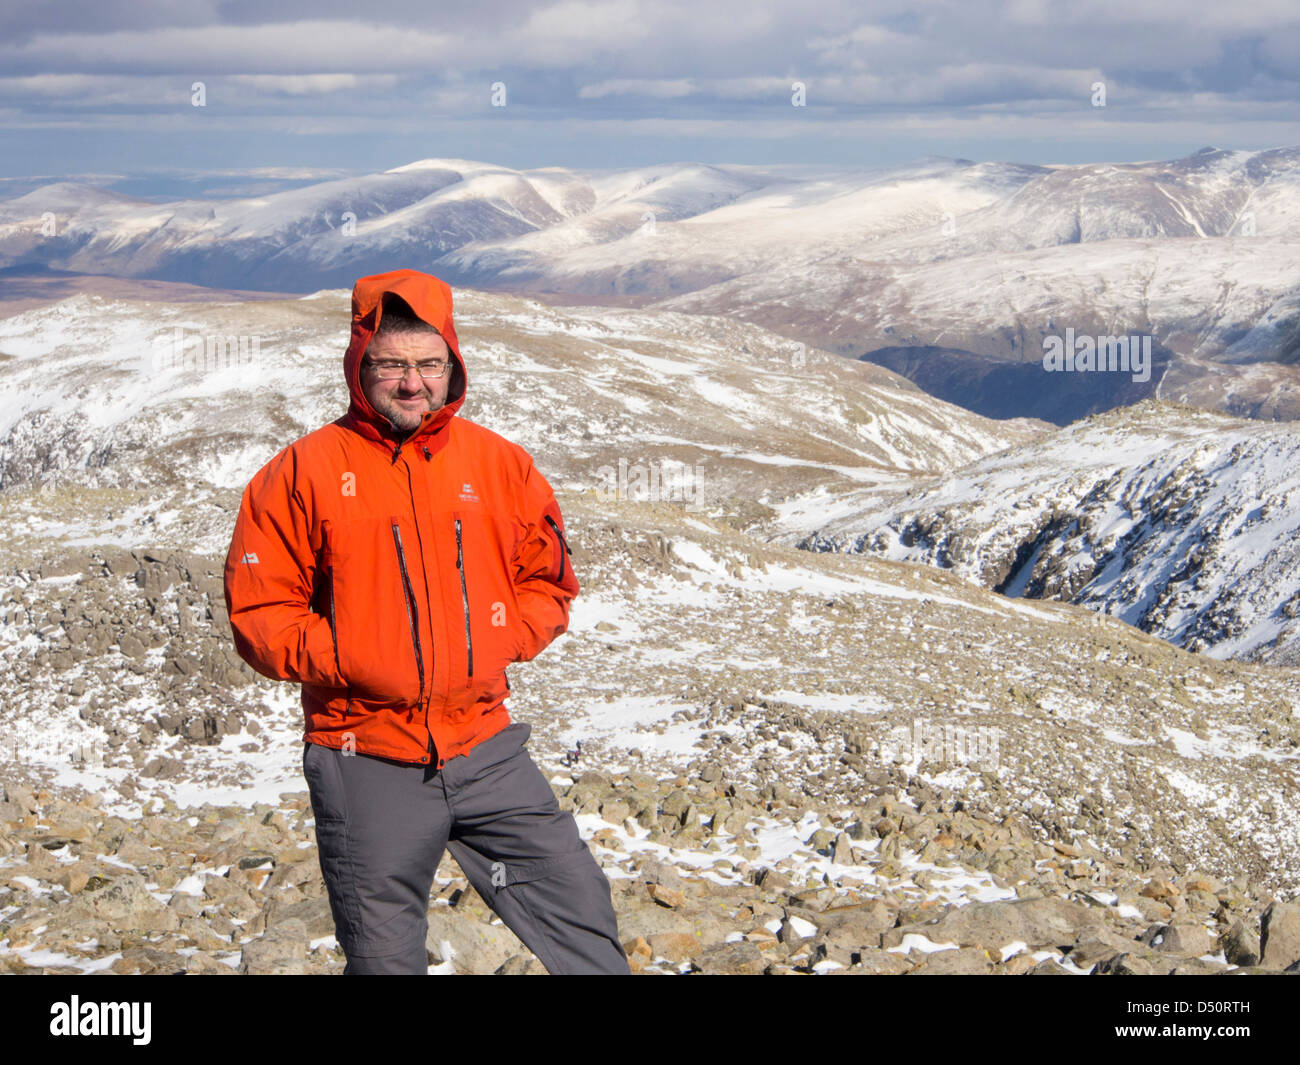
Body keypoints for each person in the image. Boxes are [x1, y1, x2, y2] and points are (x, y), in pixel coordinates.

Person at [223, 268, 628, 975]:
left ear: (453, 364)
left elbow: (548, 578)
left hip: (485, 743)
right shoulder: (300, 473)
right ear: (360, 365)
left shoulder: (501, 464)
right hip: (365, 756)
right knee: (384, 959)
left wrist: (501, 638)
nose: (413, 382)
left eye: (429, 363)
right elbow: (260, 613)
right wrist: (355, 652)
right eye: (393, 364)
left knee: (581, 917)